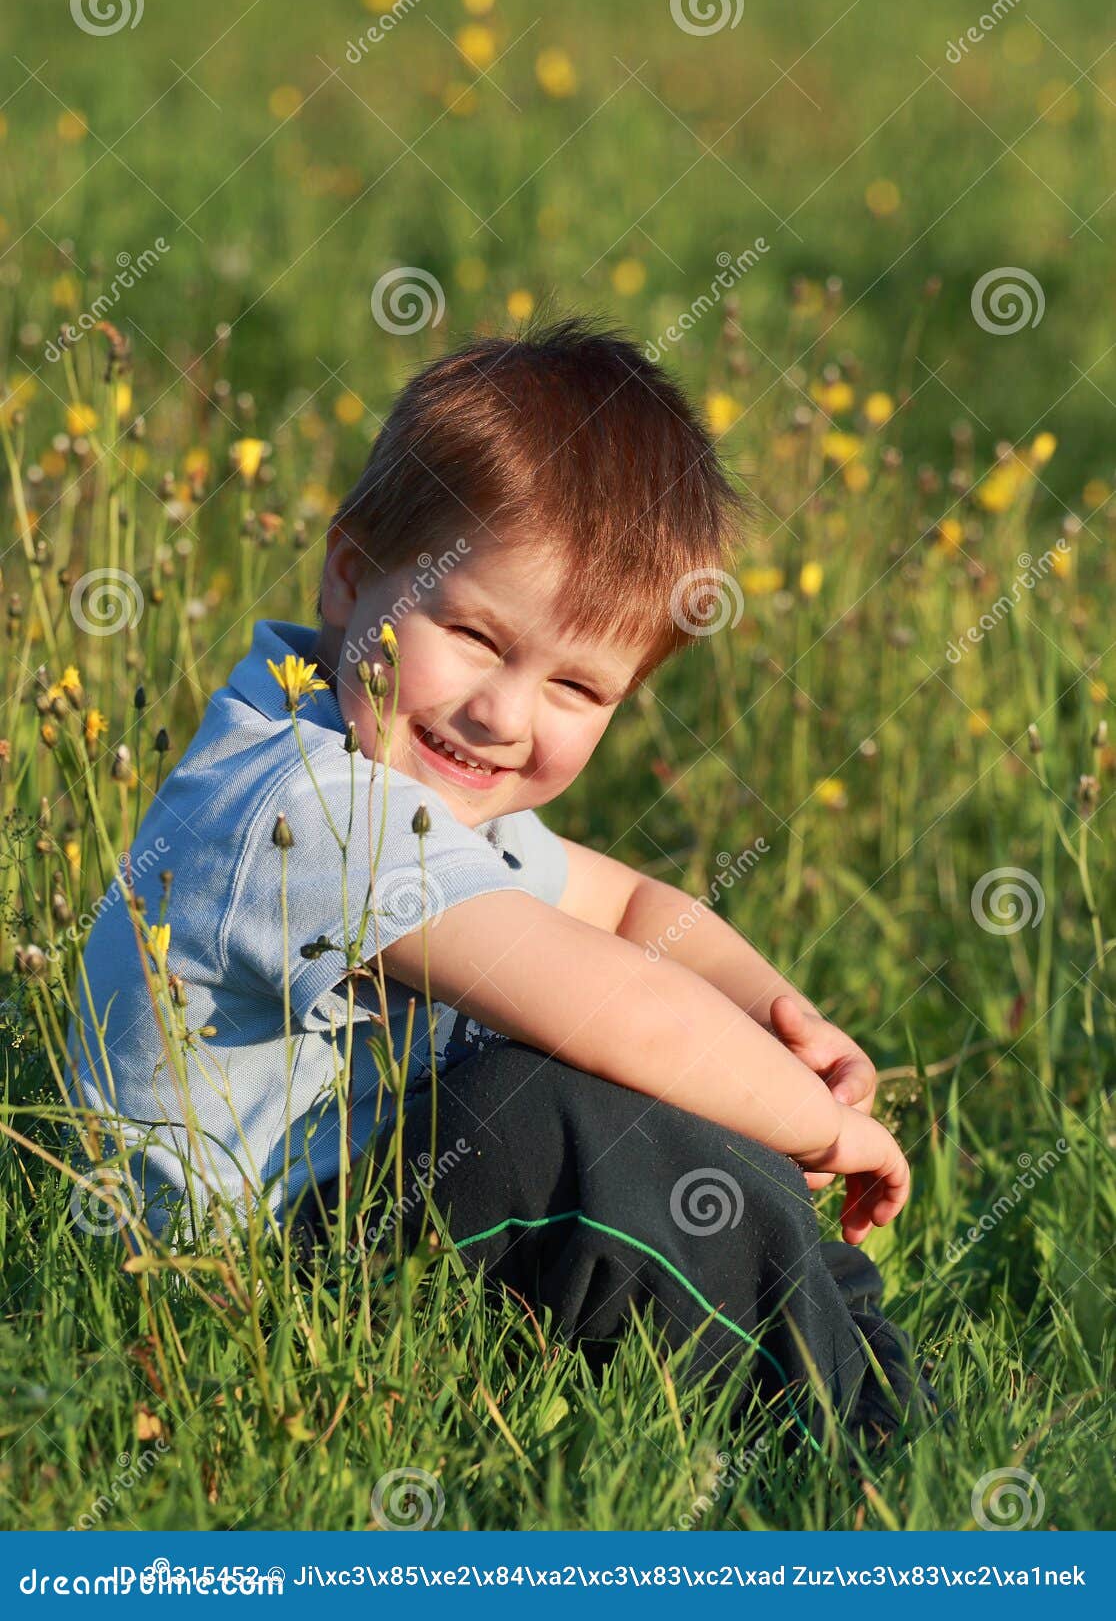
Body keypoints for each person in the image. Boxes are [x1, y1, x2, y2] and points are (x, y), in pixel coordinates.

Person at [69, 317, 924, 1443]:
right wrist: (818, 1126)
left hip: (354, 1229)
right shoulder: (307, 804)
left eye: (577, 687)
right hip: (231, 1297)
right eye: (473, 633)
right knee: (557, 1109)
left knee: (658, 1085)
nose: (503, 714)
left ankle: (829, 1347)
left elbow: (629, 912)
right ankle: (854, 1434)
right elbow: (632, 1011)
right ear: (349, 574)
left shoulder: (409, 781)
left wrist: (774, 1015)